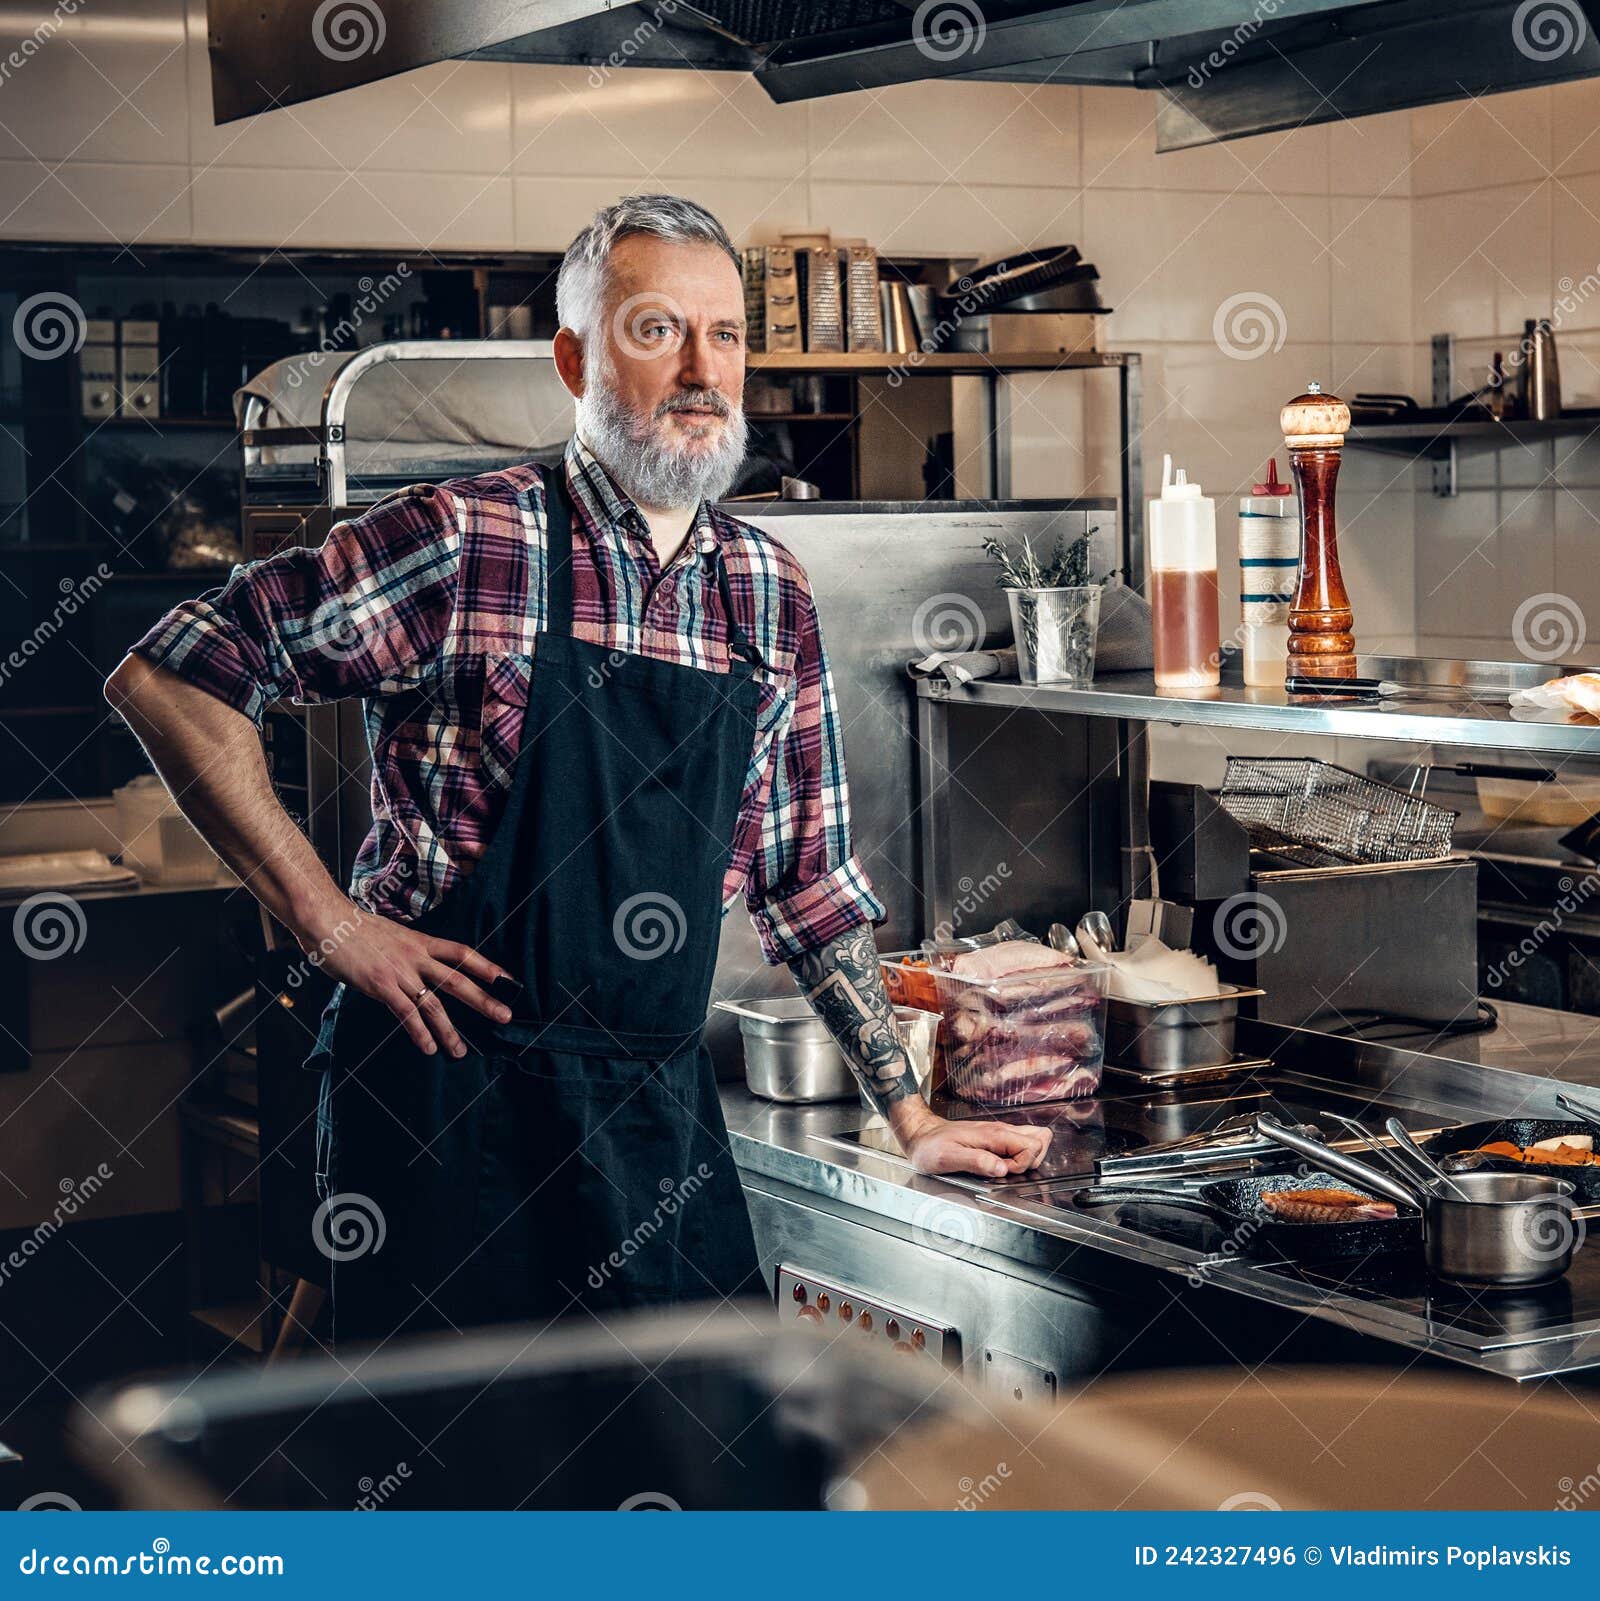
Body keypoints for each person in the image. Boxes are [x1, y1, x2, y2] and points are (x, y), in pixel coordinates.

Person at [106, 194, 1050, 1343]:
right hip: (449, 1105)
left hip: (651, 1117)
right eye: (657, 330)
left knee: (698, 1480)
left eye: (726, 335)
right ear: (575, 357)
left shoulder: (766, 588)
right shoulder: (468, 537)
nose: (701, 369)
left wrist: (909, 1114)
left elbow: (806, 881)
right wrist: (328, 923)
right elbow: (175, 674)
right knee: (432, 1480)